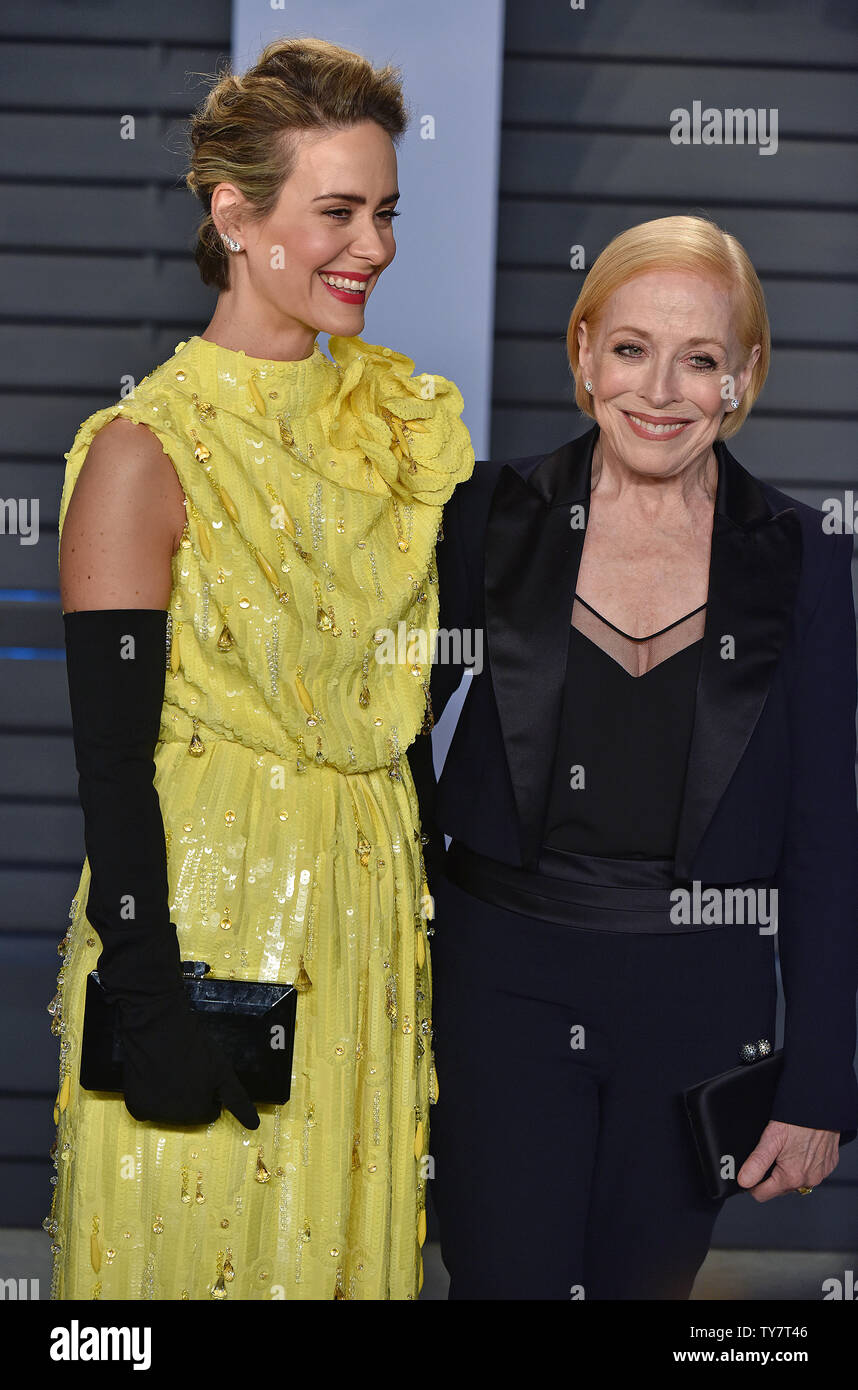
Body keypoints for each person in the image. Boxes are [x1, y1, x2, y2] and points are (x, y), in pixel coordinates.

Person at [47, 35, 474, 1300]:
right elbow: (110, 761)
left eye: (386, 211)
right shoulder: (144, 449)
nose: (375, 247)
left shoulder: (400, 420)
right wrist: (149, 997)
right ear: (235, 214)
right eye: (336, 211)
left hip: (367, 924)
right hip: (201, 927)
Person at [417, 215, 858, 1299]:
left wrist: (820, 1086)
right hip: (499, 988)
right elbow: (374, 739)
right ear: (581, 354)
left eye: (699, 357)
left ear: (740, 377)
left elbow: (824, 836)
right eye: (629, 348)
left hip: (697, 1006)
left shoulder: (802, 554)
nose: (659, 388)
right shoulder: (485, 515)